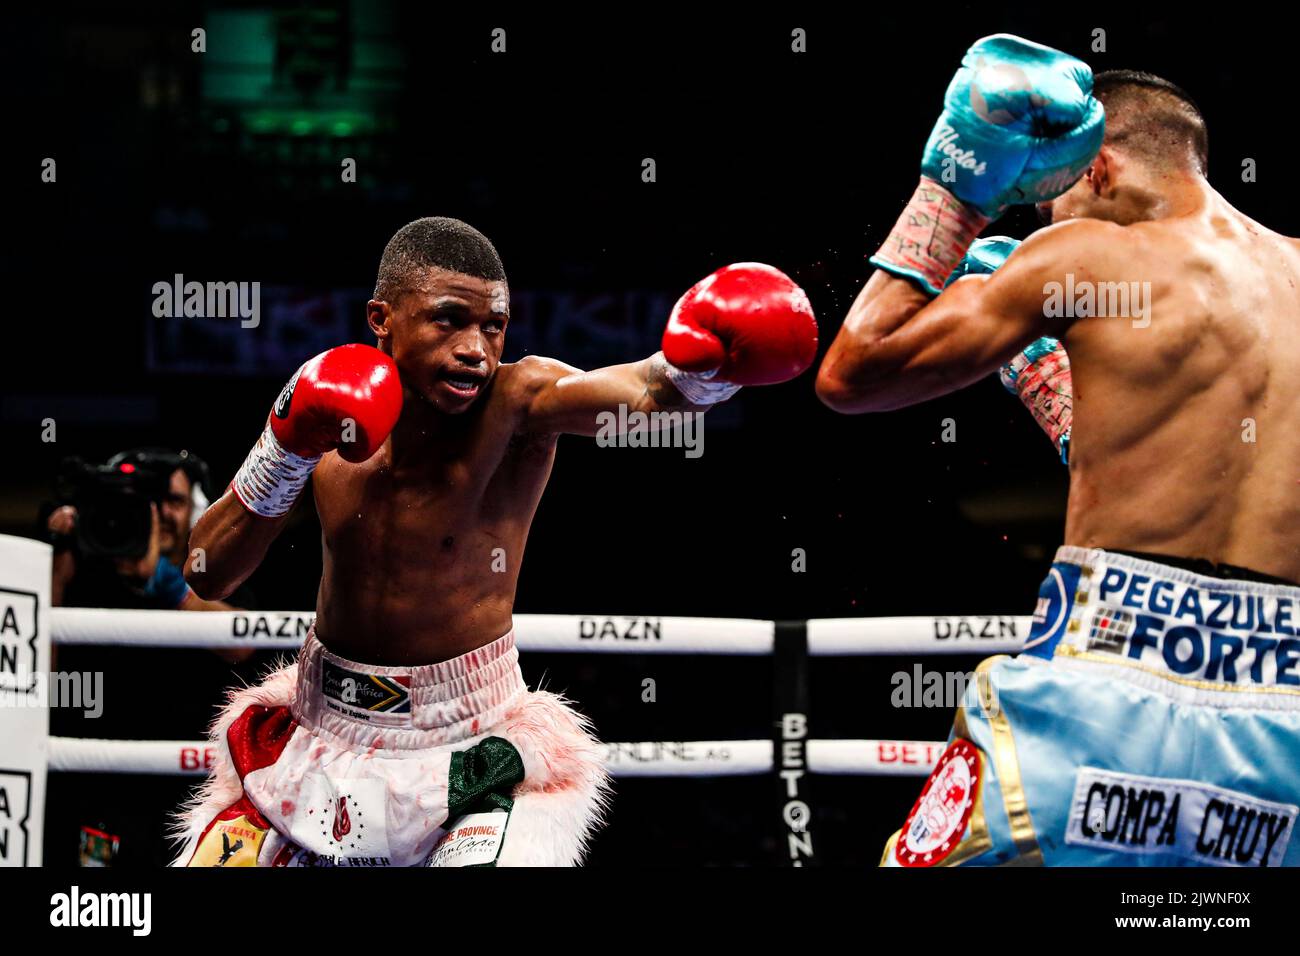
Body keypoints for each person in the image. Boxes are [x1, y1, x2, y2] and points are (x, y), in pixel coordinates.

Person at [173, 217, 818, 866]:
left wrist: (698, 371)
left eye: (493, 326)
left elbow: (645, 390)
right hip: (319, 728)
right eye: (449, 320)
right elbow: (207, 572)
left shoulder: (520, 401)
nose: (475, 349)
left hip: (474, 747)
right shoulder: (328, 412)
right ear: (382, 317)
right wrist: (286, 450)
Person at [817, 35, 1300, 866]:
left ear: (1097, 169)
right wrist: (1060, 393)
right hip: (1283, 727)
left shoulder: (1084, 256)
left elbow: (854, 372)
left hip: (1095, 698)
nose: (1042, 219)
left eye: (1049, 197)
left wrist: (957, 190)